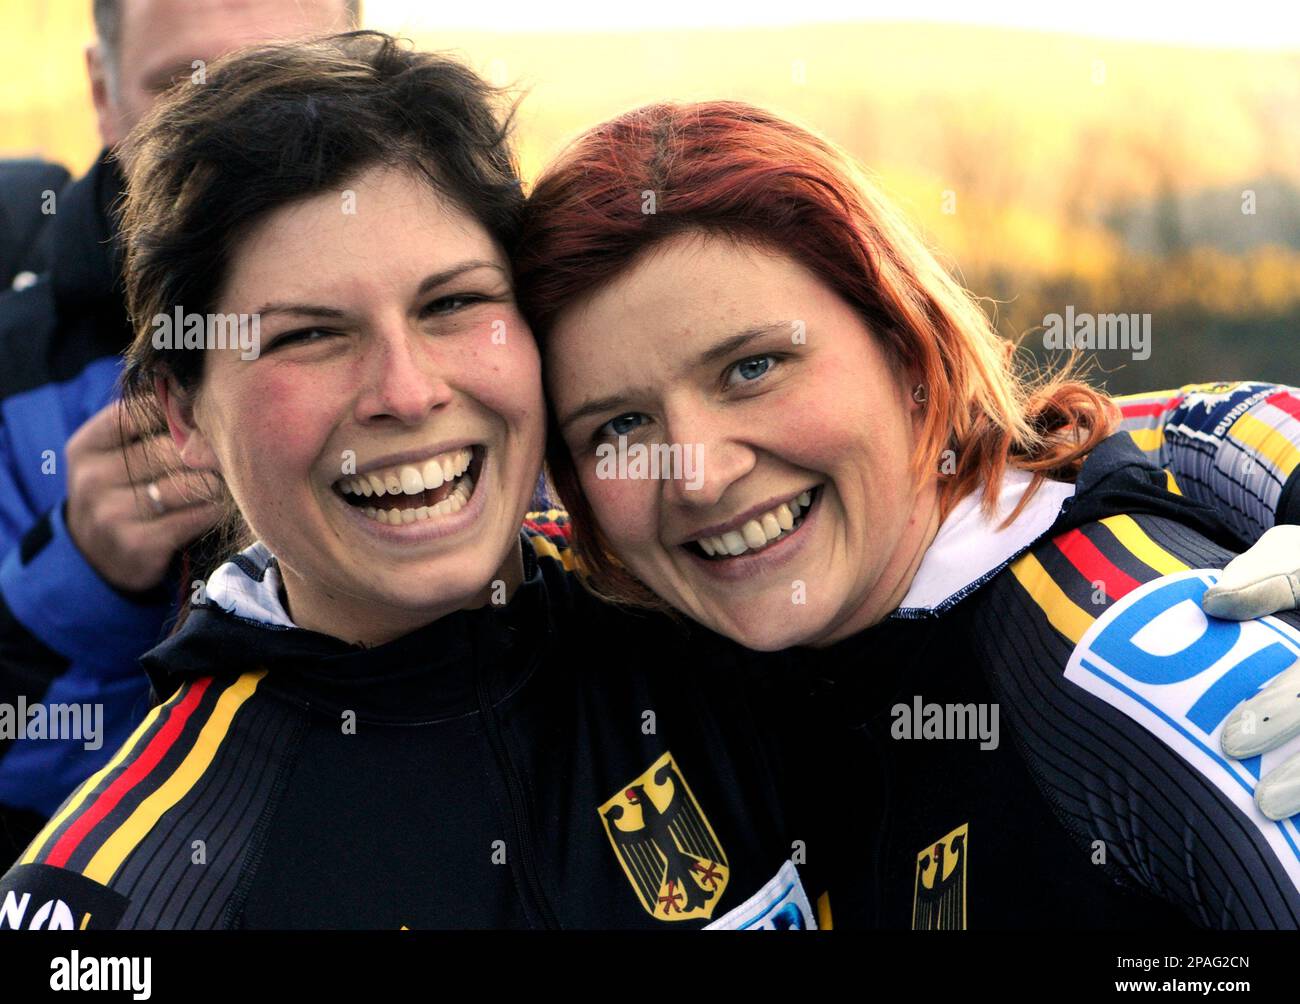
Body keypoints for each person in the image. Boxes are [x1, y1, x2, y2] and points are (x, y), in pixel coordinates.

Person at [0, 34, 818, 930]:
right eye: (309, 335)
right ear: (184, 415)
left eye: (453, 304)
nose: (407, 391)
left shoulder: (722, 603)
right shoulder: (128, 898)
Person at [514, 100, 1300, 927]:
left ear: (905, 339)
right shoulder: (706, 626)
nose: (700, 477)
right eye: (620, 426)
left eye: (753, 368)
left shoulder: (1132, 664)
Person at [0, 0, 359, 864]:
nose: (237, 139)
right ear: (103, 90)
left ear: (368, 76)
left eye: (289, 85)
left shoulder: (476, 322)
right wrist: (84, 580)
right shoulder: (19, 366)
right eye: (181, 88)